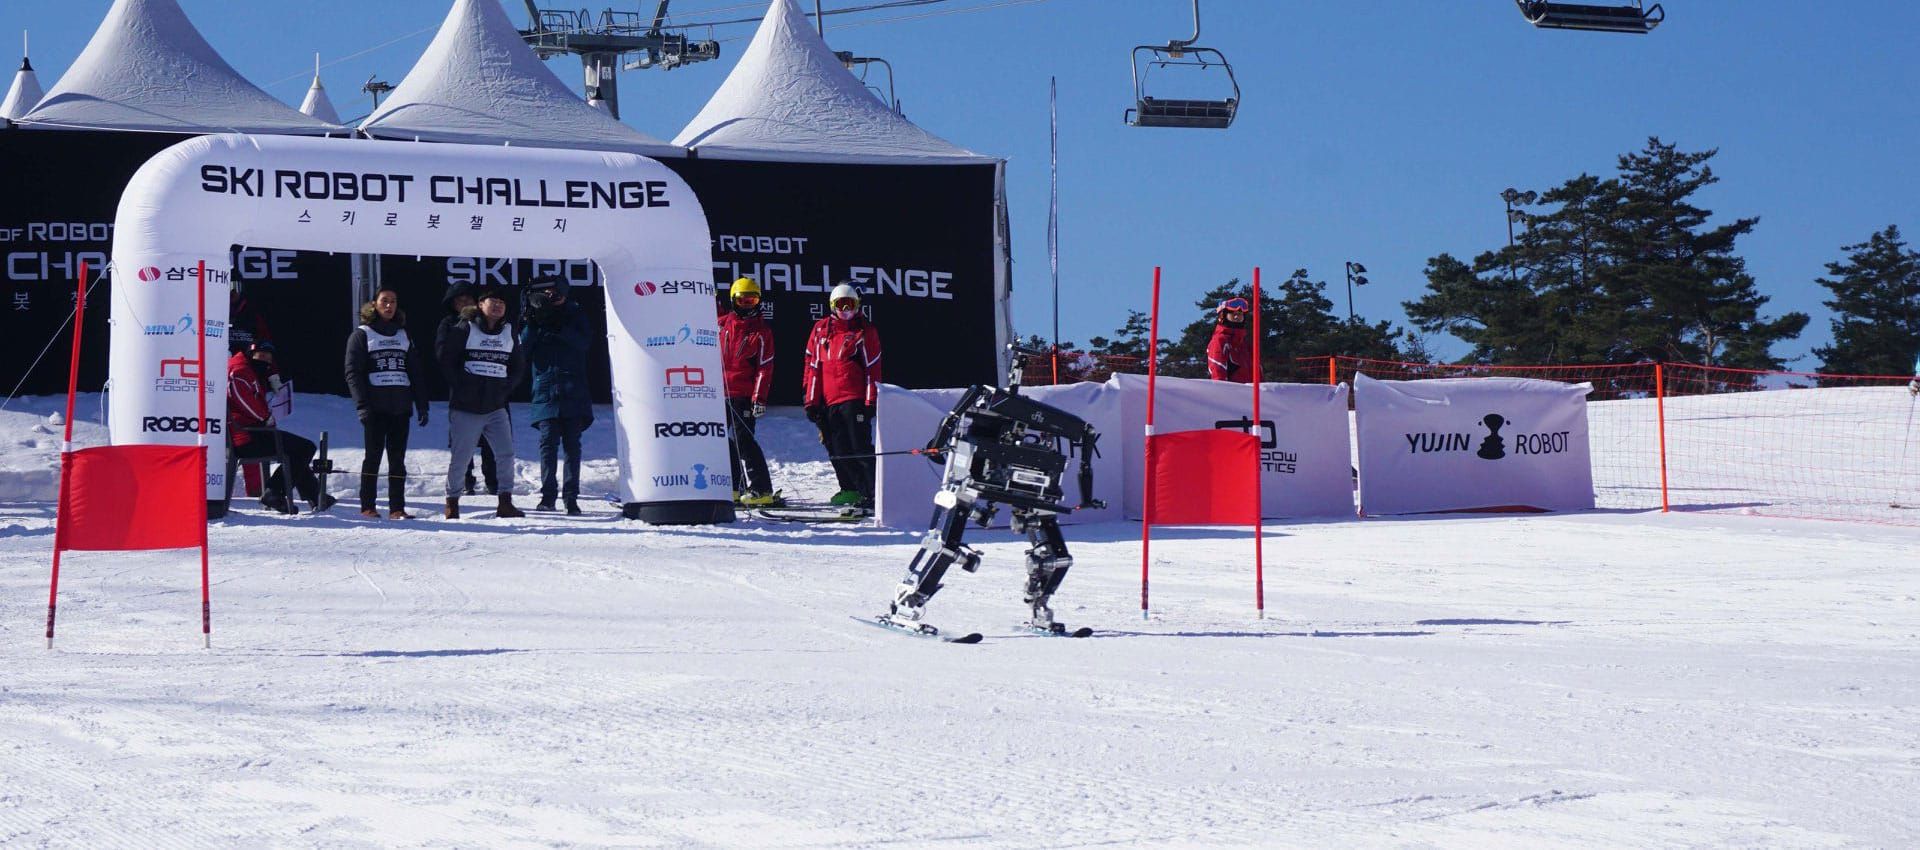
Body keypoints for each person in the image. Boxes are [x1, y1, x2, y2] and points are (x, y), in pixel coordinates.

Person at [438, 286, 526, 519]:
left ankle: (505, 501)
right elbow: (447, 361)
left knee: (506, 454)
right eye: (492, 301)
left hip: (496, 406)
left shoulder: (509, 331)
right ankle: (452, 502)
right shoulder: (465, 328)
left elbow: (518, 365)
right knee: (462, 456)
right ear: (480, 305)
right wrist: (463, 386)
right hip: (466, 406)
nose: (497, 305)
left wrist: (505, 388)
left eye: (502, 303)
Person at [344, 287, 430, 519]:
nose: (389, 306)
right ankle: (368, 505)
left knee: (397, 459)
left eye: (393, 301)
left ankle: (397, 508)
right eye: (384, 301)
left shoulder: (403, 334)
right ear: (374, 304)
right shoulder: (362, 335)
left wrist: (422, 404)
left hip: (400, 407)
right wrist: (362, 406)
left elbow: (415, 371)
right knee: (373, 457)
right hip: (375, 408)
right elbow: (353, 373)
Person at [802, 282, 881, 510]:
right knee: (836, 447)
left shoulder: (865, 331)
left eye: (851, 305)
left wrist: (870, 401)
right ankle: (851, 490)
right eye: (841, 305)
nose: (846, 310)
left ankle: (874, 493)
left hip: (854, 398)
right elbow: (812, 366)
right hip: (828, 400)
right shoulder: (820, 330)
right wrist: (811, 401)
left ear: (858, 305)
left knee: (859, 446)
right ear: (832, 305)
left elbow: (872, 368)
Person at [227, 341, 332, 513]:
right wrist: (265, 416)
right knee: (304, 448)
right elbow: (242, 399)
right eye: (261, 355)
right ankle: (274, 492)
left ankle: (315, 495)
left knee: (296, 449)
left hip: (252, 431)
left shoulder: (247, 369)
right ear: (250, 354)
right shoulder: (239, 371)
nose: (266, 361)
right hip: (246, 436)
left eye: (269, 357)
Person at [519, 275, 592, 515]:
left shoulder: (575, 313)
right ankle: (547, 496)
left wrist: (559, 325)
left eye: (554, 292)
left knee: (573, 446)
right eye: (546, 293)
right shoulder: (535, 315)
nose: (550, 297)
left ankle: (571, 498)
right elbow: (524, 349)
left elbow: (584, 343)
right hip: (545, 390)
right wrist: (532, 321)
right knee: (547, 445)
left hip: (573, 391)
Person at [720, 277, 781, 507]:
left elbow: (765, 367)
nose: (748, 305)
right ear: (733, 300)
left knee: (743, 440)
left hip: (743, 395)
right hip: (719, 394)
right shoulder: (721, 325)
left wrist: (759, 397)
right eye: (743, 300)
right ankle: (735, 488)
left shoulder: (761, 332)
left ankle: (761, 489)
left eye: (752, 300)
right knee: (718, 439)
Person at [439, 282, 500, 496]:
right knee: (462, 439)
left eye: (468, 299)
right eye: (459, 300)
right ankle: (465, 480)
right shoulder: (449, 324)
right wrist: (459, 381)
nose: (464, 303)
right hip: (463, 390)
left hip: (491, 388)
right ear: (452, 303)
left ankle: (493, 481)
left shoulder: (489, 323)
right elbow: (443, 356)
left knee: (492, 439)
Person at [1206, 296, 1254, 383]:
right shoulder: (1220, 341)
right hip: (1232, 392)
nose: (1237, 317)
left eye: (1240, 315)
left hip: (1249, 393)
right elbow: (1218, 371)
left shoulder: (1244, 344)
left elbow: (1257, 371)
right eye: (1233, 314)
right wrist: (1223, 393)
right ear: (1222, 316)